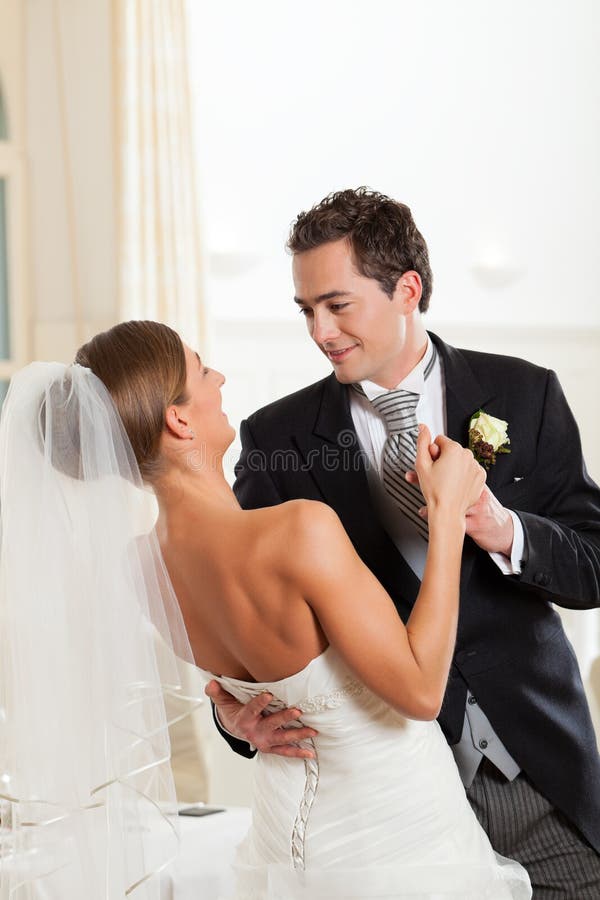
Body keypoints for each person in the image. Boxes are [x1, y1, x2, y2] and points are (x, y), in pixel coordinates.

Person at [209, 188, 600, 898]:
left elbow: (593, 564)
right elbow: (244, 606)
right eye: (306, 311)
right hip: (384, 806)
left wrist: (496, 525)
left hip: (540, 780)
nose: (320, 332)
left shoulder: (525, 394)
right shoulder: (276, 440)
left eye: (337, 304)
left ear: (407, 289)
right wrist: (235, 718)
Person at [69, 320, 531, 899]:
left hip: (280, 846)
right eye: (203, 370)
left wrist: (232, 715)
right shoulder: (297, 530)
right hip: (394, 838)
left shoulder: (139, 568)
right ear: (178, 420)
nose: (222, 378)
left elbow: (250, 685)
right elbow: (419, 692)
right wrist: (445, 513)